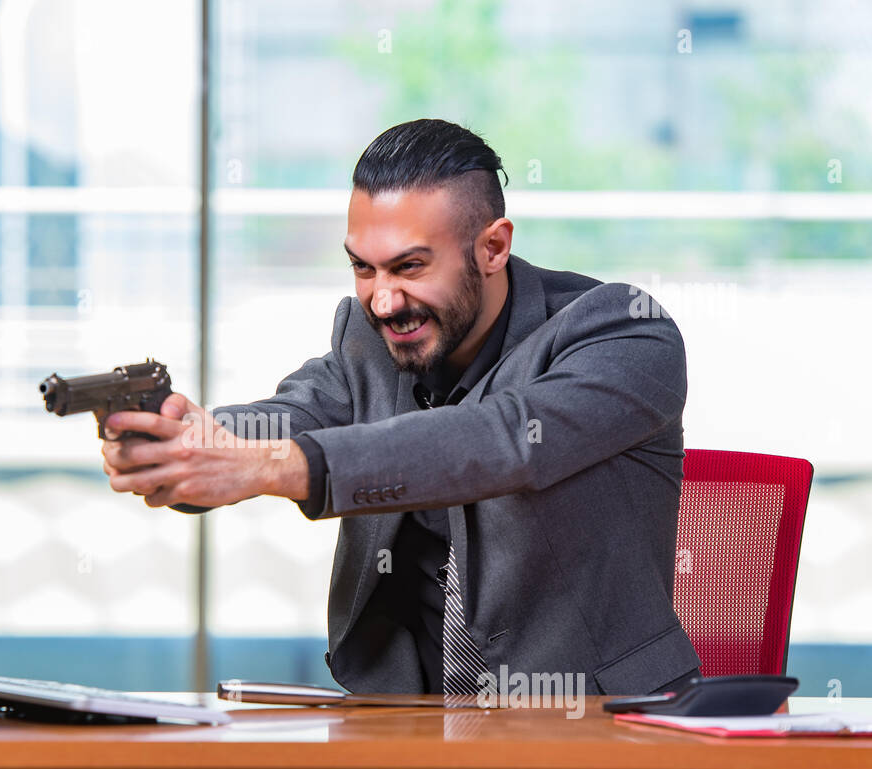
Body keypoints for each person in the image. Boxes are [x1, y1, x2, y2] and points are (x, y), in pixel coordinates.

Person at [99, 118, 702, 696]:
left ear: (493, 247)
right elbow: (291, 418)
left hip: (596, 726)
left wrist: (276, 466)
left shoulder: (623, 334)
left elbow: (502, 440)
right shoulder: (372, 341)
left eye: (410, 267)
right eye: (363, 266)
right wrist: (186, 444)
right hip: (401, 716)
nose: (383, 301)